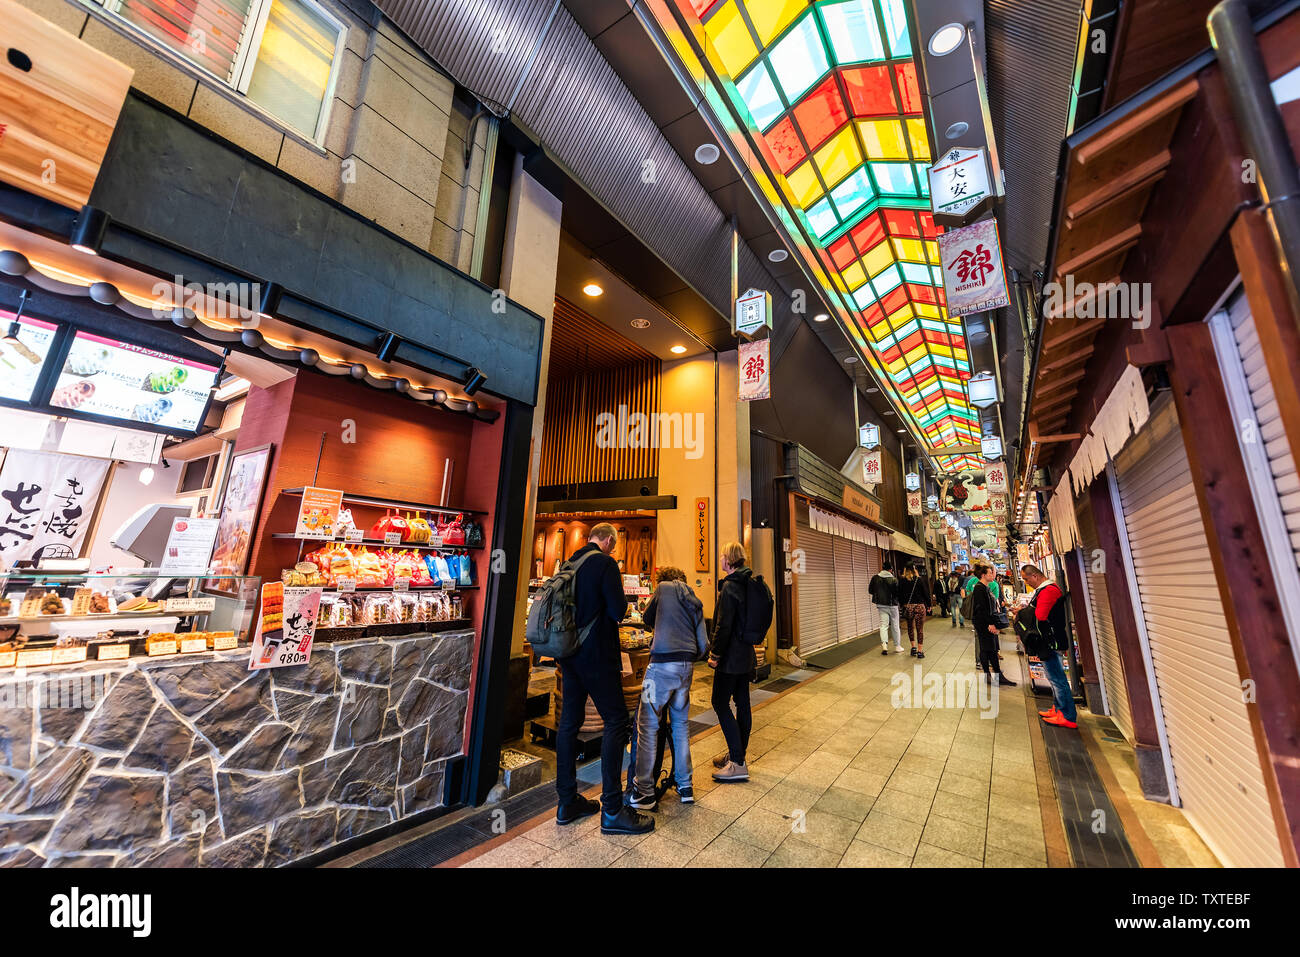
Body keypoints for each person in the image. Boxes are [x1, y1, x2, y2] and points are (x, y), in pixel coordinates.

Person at [554, 522, 653, 835]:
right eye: (614, 545)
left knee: (569, 723)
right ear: (609, 541)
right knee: (616, 722)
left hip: (568, 655)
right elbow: (618, 611)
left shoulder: (570, 562)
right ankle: (612, 809)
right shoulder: (606, 563)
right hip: (597, 656)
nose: (613, 550)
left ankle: (567, 801)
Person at [628, 566, 706, 809]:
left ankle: (644, 791)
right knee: (681, 726)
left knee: (648, 725)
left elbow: (647, 618)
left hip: (659, 668)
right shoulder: (694, 597)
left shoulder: (662, 589)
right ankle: (685, 786)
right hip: (686, 668)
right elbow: (704, 642)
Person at [709, 542, 759, 783]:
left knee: (719, 702)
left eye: (721, 556)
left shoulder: (729, 587)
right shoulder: (749, 583)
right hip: (747, 655)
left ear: (728, 560)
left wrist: (715, 654)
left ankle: (737, 762)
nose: (720, 559)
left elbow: (723, 625)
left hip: (730, 657)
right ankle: (737, 755)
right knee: (743, 703)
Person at [1020, 564, 1077, 728]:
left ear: (1035, 576)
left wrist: (1025, 613)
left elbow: (1040, 615)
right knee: (1054, 678)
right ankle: (1058, 709)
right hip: (1049, 639)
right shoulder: (1046, 590)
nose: (1026, 582)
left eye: (1026, 579)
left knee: (1058, 679)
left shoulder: (1049, 591)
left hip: (1050, 640)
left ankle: (1067, 715)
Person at [971, 562, 1016, 686]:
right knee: (988, 648)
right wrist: (990, 624)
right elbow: (982, 609)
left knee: (989, 648)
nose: (993, 574)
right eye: (990, 573)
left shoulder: (985, 587)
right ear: (984, 575)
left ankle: (993, 675)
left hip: (985, 622)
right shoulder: (980, 588)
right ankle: (994, 675)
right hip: (983, 623)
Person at [869, 560, 903, 654]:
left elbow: (870, 590)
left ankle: (884, 645)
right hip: (893, 605)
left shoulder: (875, 578)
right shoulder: (894, 579)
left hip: (881, 605)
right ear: (891, 569)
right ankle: (897, 646)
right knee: (895, 625)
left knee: (884, 625)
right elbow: (897, 593)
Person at [899, 565, 931, 659]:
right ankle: (920, 651)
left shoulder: (902, 580)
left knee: (910, 627)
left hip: (908, 607)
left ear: (905, 569)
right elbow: (925, 593)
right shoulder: (919, 580)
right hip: (919, 606)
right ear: (914, 570)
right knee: (919, 629)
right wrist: (929, 605)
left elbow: (899, 594)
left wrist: (903, 604)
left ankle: (913, 648)